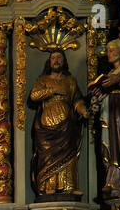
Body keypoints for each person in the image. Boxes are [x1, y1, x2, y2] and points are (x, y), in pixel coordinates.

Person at [28, 50, 90, 200]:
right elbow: (34, 96)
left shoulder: (70, 81)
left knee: (68, 155)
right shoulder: (43, 80)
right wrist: (52, 90)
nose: (56, 60)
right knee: (47, 156)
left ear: (64, 61)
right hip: (46, 125)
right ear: (49, 62)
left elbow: (77, 100)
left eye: (59, 58)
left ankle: (69, 186)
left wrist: (83, 111)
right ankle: (48, 186)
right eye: (53, 58)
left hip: (67, 125)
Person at [88, 39, 120, 198]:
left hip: (119, 112)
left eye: (112, 50)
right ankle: (110, 180)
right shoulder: (110, 73)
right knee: (107, 145)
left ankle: (118, 179)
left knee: (118, 143)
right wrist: (98, 94)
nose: (108, 54)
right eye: (108, 51)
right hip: (107, 112)